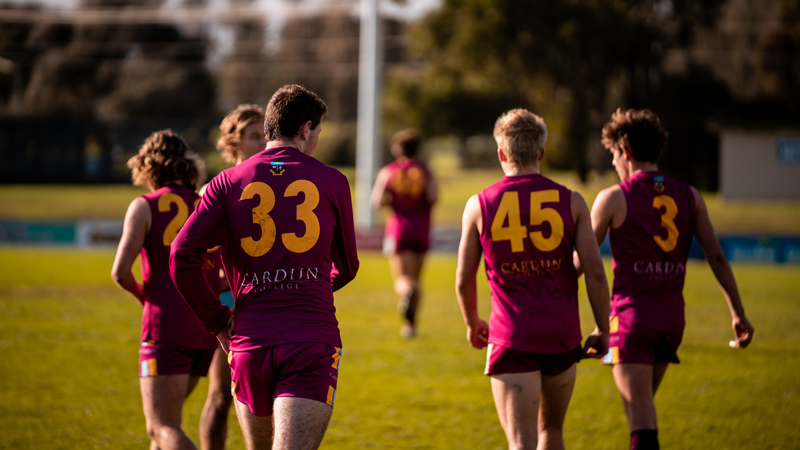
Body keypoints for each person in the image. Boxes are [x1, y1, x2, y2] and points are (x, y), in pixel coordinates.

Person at [170, 84, 359, 450]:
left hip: (249, 340)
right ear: (305, 128)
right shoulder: (333, 180)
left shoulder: (225, 182)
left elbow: (181, 255)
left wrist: (216, 320)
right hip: (309, 337)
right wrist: (309, 285)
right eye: (318, 131)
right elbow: (347, 266)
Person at [586, 108, 754, 450]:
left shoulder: (613, 197)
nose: (614, 164)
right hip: (671, 321)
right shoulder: (690, 196)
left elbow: (583, 262)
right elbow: (716, 257)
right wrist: (737, 313)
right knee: (641, 409)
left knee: (641, 418)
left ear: (625, 152)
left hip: (631, 320)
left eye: (614, 156)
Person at [455, 109, 611, 450]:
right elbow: (596, 273)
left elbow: (464, 279)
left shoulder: (479, 204)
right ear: (541, 152)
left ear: (501, 153)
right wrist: (603, 328)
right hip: (562, 335)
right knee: (552, 433)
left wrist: (472, 321)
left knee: (520, 442)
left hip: (512, 336)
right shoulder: (572, 201)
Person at [111, 130, 223, 450]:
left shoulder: (145, 205)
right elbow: (225, 274)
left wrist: (143, 296)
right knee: (163, 429)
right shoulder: (207, 205)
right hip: (205, 329)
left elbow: (120, 273)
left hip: (166, 329)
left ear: (146, 166)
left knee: (161, 427)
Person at [198, 104, 267, 450]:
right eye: (254, 136)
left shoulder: (276, 185)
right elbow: (194, 255)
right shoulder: (216, 188)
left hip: (263, 301)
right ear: (232, 141)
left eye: (265, 135)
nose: (263, 142)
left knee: (262, 396)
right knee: (223, 394)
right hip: (227, 302)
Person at [370, 129, 437, 338]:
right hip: (421, 230)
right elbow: (433, 197)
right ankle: (410, 325)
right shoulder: (425, 171)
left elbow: (377, 201)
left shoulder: (389, 171)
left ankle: (406, 293)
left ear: (397, 149)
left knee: (402, 280)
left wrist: (395, 201)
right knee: (416, 279)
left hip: (398, 230)